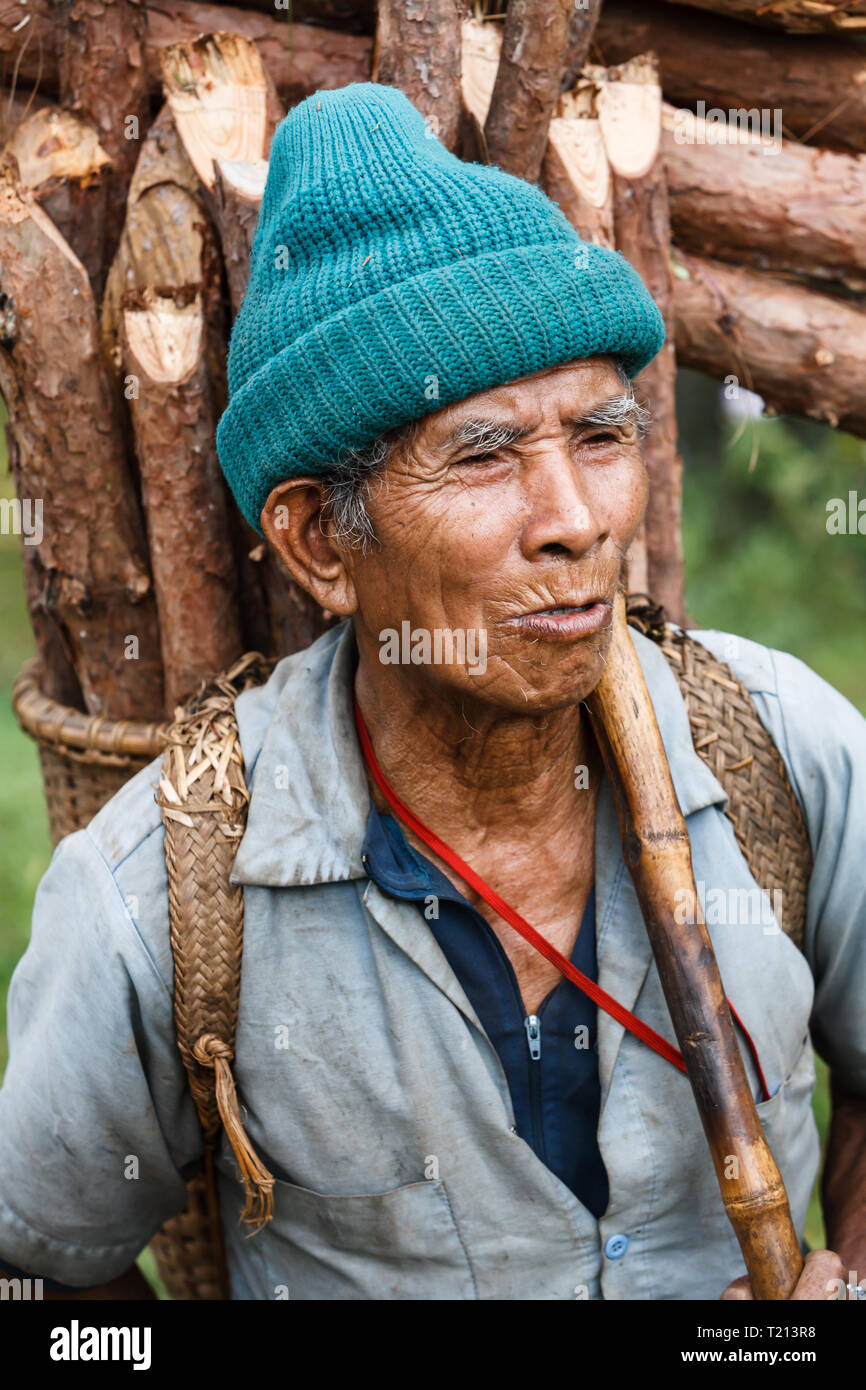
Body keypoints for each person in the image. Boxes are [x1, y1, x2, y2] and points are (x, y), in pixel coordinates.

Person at [0, 83, 864, 1302]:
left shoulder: (783, 749)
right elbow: (38, 1272)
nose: (574, 524)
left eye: (599, 436)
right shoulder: (158, 896)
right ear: (315, 546)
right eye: (482, 454)